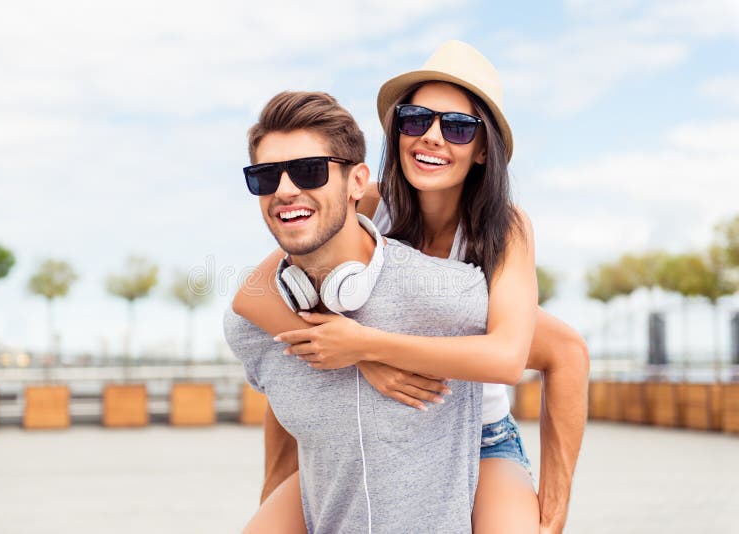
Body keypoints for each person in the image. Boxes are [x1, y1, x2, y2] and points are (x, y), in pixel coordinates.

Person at [233, 41, 589, 534]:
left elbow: (514, 357)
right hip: (370, 436)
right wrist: (361, 358)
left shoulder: (504, 230)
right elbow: (254, 294)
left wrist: (553, 511)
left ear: (484, 149)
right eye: (416, 120)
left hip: (478, 441)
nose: (432, 137)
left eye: (458, 127)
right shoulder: (364, 203)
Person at [225, 90, 492, 533]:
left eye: (310, 170)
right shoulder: (252, 326)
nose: (285, 190)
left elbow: (548, 352)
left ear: (357, 183)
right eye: (266, 177)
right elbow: (284, 416)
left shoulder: (449, 294)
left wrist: (368, 347)